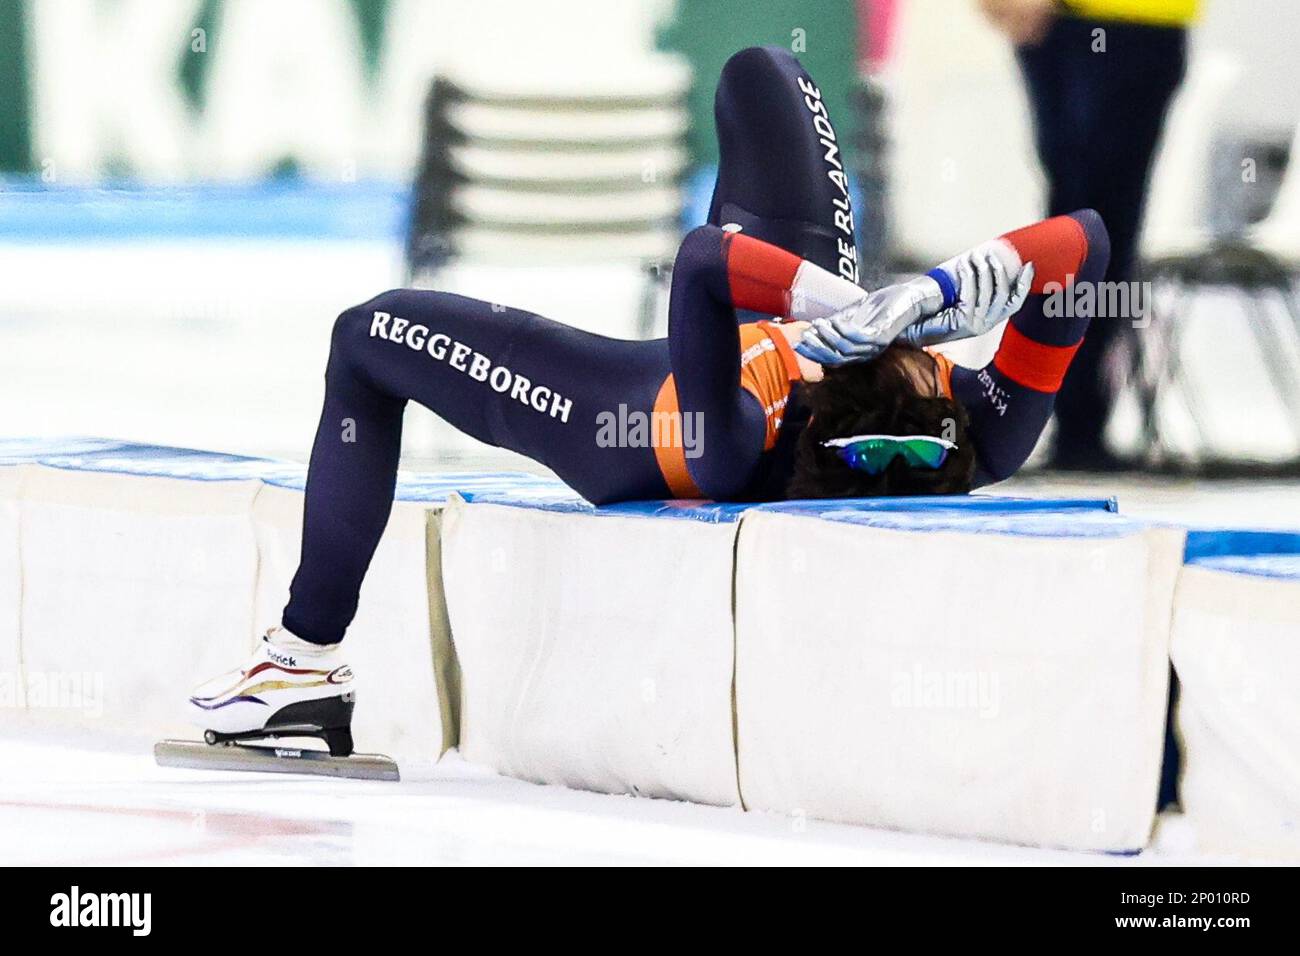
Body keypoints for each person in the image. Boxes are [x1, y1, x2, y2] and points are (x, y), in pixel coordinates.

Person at [184, 47, 1108, 758]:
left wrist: (854, 312)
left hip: (619, 406)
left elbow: (703, 266)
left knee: (366, 336)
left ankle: (301, 661)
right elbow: (1089, 246)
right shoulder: (982, 431)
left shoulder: (735, 439)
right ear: (929, 384)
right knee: (764, 73)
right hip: (785, 328)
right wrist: (936, 295)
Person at [978, 0, 1195, 469]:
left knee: (1094, 229)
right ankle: (1067, 420)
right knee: (1087, 231)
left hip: (1130, 23)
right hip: (1095, 23)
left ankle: (1067, 418)